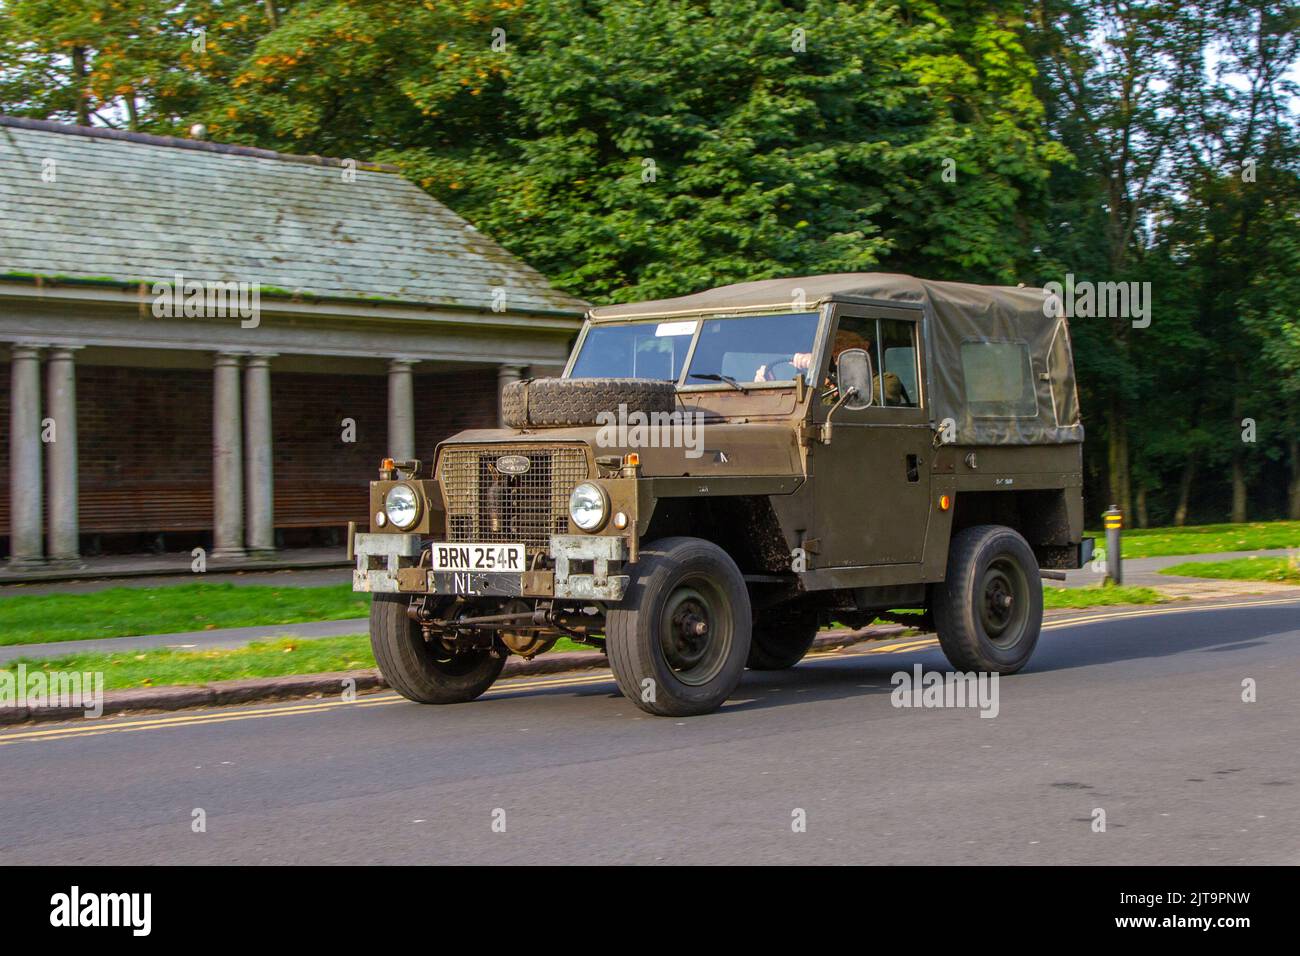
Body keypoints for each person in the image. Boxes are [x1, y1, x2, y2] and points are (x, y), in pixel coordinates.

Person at [757, 328, 906, 405]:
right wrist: (768, 389)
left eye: (842, 342)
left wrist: (817, 367)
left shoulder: (886, 381)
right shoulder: (816, 383)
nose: (836, 349)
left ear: (863, 346)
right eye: (833, 345)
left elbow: (864, 406)